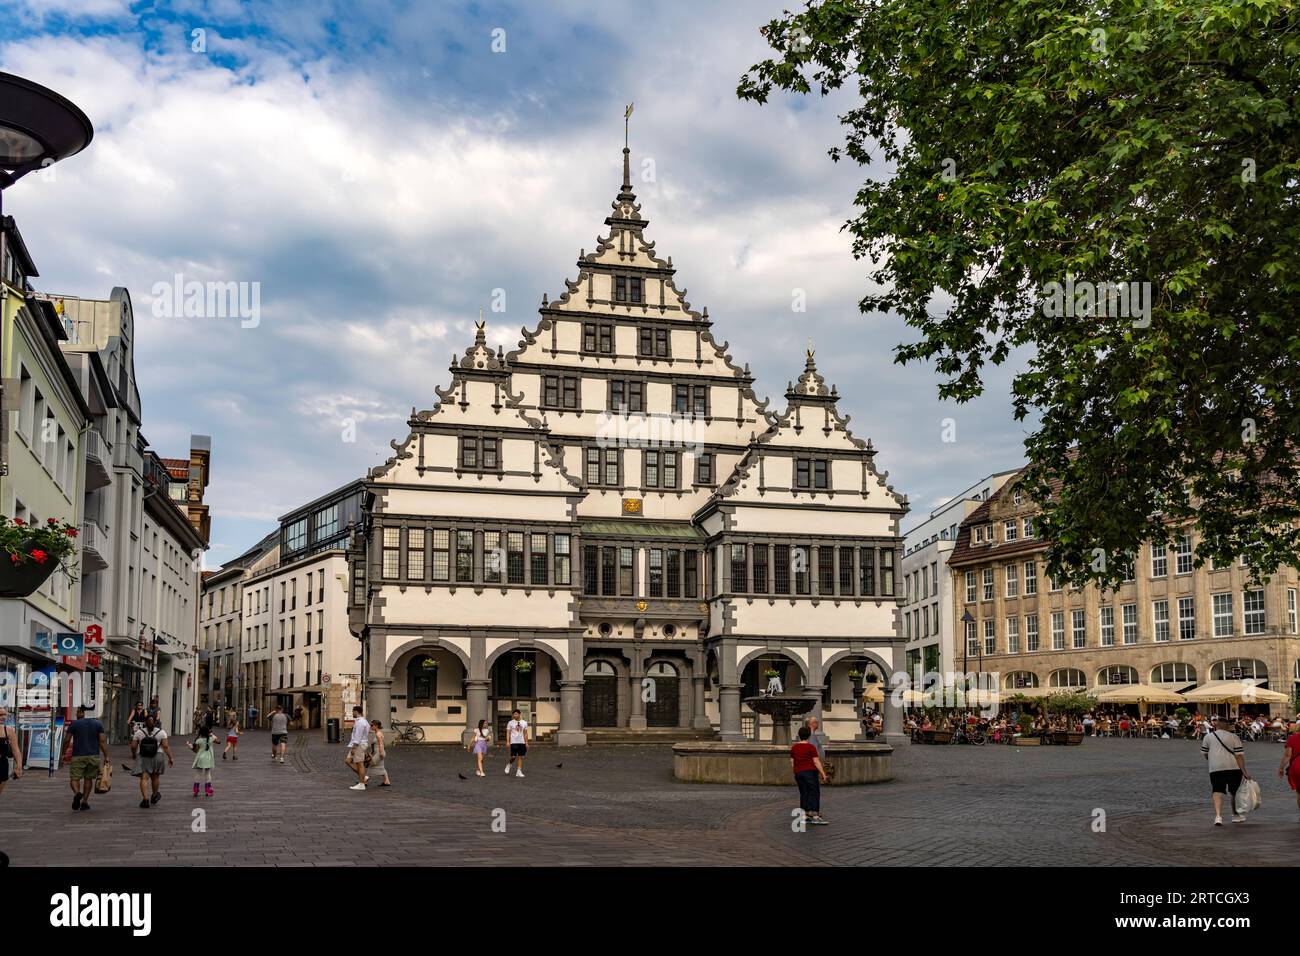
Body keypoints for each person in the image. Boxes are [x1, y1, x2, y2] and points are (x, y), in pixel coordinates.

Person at [1200, 715, 1249, 825]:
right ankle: (1235, 815)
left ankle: (1218, 817)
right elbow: (1239, 756)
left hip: (1216, 768)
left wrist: (1212, 759)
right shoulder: (1234, 737)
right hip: (1234, 767)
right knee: (1234, 792)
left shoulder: (1208, 737)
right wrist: (1245, 772)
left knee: (1217, 791)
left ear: (1216, 725)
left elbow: (1205, 754)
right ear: (1227, 725)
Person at [66, 705, 108, 812]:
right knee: (88, 779)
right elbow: (102, 741)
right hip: (93, 756)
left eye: (78, 712)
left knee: (74, 778)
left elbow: (67, 740)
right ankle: (84, 802)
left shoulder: (74, 724)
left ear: (82, 713)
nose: (76, 714)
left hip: (77, 756)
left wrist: (63, 753)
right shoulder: (98, 724)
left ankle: (77, 793)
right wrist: (106, 756)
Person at [131, 714, 173, 809]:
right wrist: (170, 757)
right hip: (157, 756)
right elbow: (165, 746)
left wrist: (134, 754)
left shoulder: (139, 732)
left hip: (143, 756)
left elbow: (133, 746)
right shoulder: (162, 732)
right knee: (155, 777)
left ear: (145, 722)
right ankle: (154, 796)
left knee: (144, 778)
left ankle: (145, 800)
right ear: (155, 722)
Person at [791, 725, 828, 826]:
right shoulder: (811, 747)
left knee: (804, 793)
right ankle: (815, 815)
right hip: (810, 772)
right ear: (809, 736)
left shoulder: (794, 747)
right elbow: (816, 761)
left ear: (799, 735)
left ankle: (804, 815)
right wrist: (823, 773)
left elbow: (792, 761)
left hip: (798, 773)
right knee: (814, 792)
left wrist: (795, 771)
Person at [345, 705, 371, 790]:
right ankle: (364, 777)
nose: (352, 713)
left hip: (358, 745)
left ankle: (361, 784)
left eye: (353, 711)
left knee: (360, 763)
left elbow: (358, 735)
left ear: (356, 711)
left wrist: (354, 747)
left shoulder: (360, 722)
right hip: (357, 744)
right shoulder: (363, 721)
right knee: (348, 761)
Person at [1279, 722, 1300, 822]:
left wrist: (1281, 768)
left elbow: (1288, 755)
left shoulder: (1292, 738)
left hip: (1297, 766)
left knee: (1299, 793)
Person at [0, 706, 21, 796]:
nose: (3, 717)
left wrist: (18, 767)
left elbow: (15, 750)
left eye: (5, 715)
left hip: (2, 764)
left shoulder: (8, 730)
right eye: (0, 715)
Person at [190, 724, 215, 798]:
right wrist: (211, 734)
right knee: (207, 773)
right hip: (208, 758)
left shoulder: (198, 740)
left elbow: (195, 750)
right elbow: (219, 741)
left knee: (198, 774)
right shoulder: (211, 739)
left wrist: (191, 747)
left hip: (200, 758)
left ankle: (196, 790)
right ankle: (208, 790)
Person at [503, 709, 528, 777]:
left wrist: (526, 742)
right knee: (513, 757)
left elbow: (525, 733)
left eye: (516, 714)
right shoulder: (510, 722)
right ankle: (509, 764)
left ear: (519, 714)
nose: (515, 715)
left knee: (520, 756)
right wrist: (508, 741)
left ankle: (519, 771)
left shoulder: (524, 722)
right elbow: (508, 732)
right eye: (514, 714)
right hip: (514, 741)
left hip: (522, 742)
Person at [369, 720, 391, 787]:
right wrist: (372, 752)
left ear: (376, 726)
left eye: (372, 725)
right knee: (381, 767)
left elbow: (381, 743)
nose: (371, 726)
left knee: (371, 764)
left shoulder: (378, 734)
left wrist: (381, 752)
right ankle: (387, 781)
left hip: (379, 752)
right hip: (378, 752)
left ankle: (364, 781)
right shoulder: (378, 733)